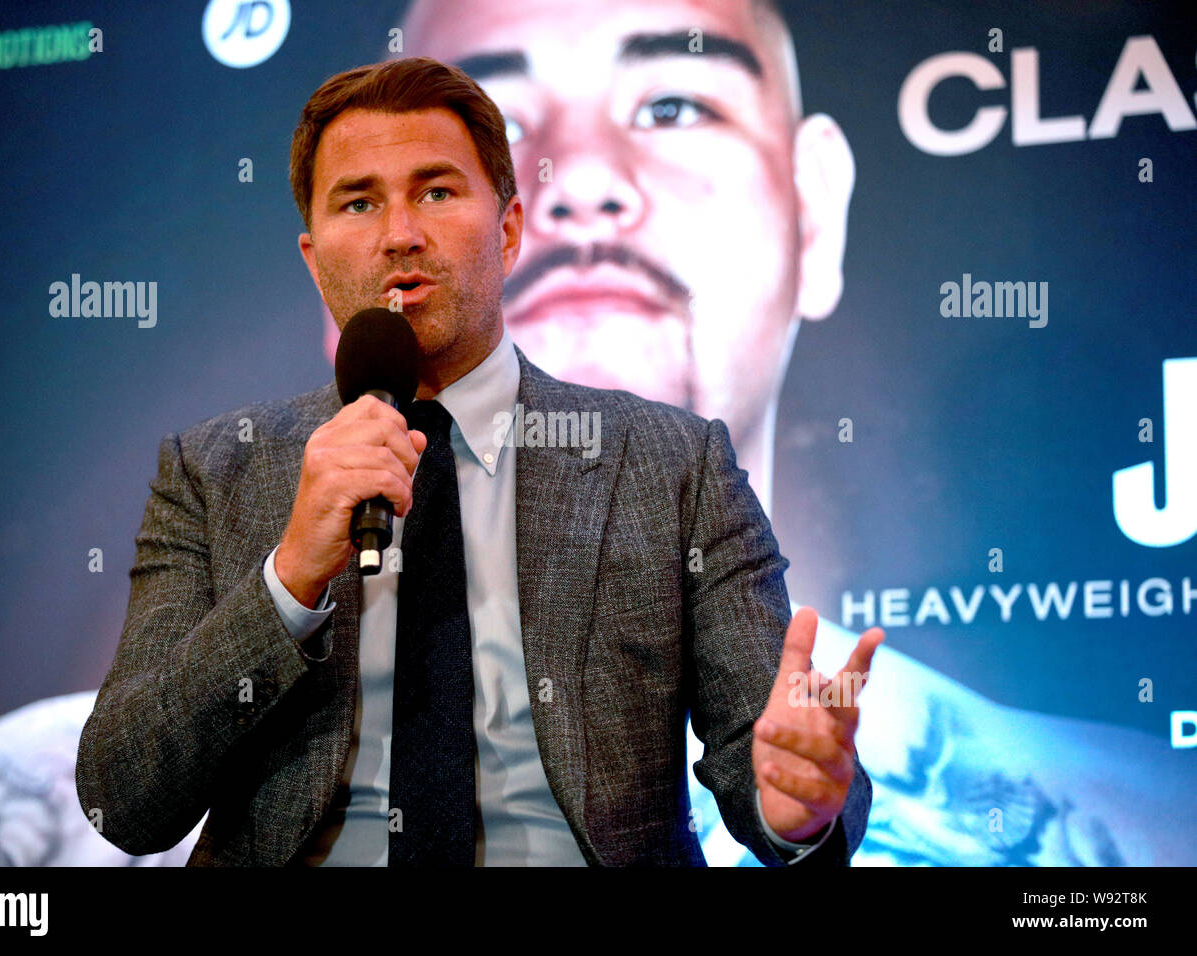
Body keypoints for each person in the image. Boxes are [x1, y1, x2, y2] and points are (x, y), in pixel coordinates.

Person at [399, 0, 1197, 867]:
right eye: (501, 131)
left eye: (673, 107)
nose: (581, 178)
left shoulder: (1131, 830)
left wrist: (800, 810)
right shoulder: (255, 508)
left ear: (813, 210)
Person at [75, 55, 883, 866]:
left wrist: (799, 808)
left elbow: (773, 752)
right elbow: (125, 799)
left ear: (508, 229)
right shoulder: (213, 472)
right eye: (359, 202)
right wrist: (286, 583)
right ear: (315, 259)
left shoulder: (672, 465)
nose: (400, 234)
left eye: (436, 191)